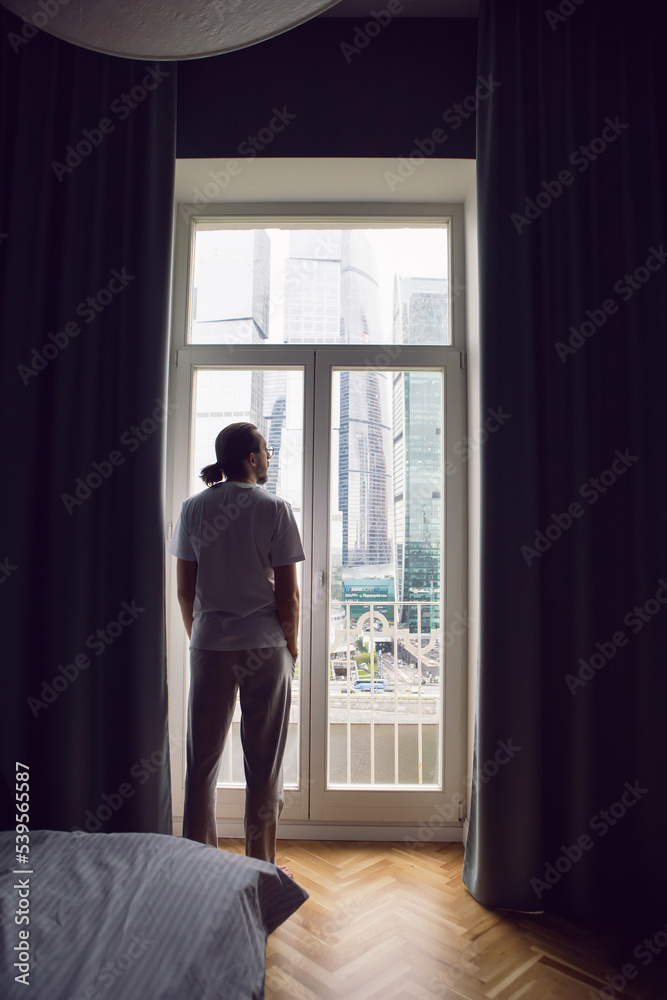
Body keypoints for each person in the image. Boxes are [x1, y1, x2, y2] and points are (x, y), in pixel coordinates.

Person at [168, 422, 304, 877]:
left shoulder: (193, 509)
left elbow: (185, 591)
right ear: (251, 458)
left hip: (210, 645)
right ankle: (261, 870)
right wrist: (293, 643)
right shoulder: (276, 508)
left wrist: (200, 637)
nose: (269, 457)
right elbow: (288, 595)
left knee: (201, 761)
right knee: (263, 765)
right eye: (266, 450)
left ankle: (197, 868)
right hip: (266, 646)